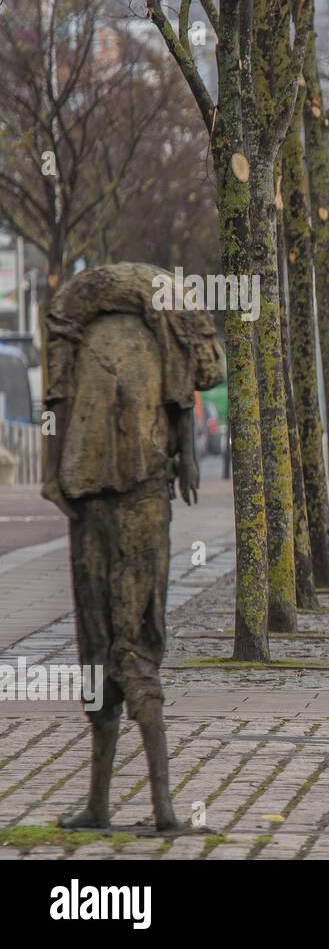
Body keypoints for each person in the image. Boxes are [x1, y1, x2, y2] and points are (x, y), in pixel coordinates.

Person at [43, 262, 223, 830]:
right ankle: (156, 806)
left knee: (99, 649)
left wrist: (55, 477)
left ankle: (114, 802)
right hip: (140, 498)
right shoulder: (159, 341)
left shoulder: (86, 339)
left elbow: (56, 412)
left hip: (92, 501)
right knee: (136, 643)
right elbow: (181, 400)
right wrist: (187, 459)